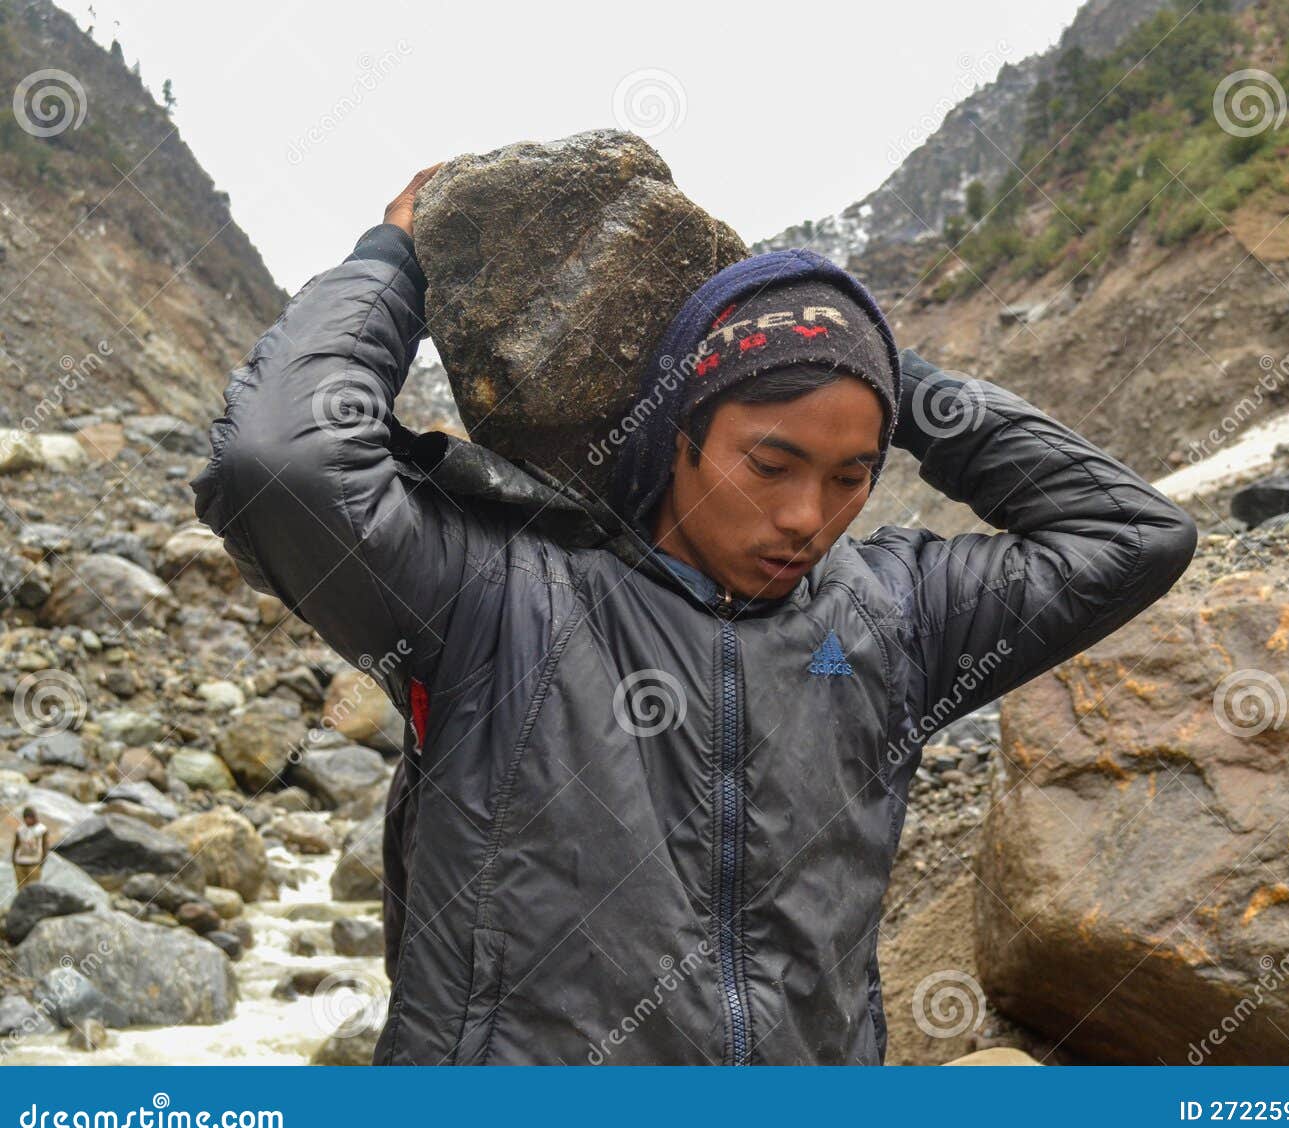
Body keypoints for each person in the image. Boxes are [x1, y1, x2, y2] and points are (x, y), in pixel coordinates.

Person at [191, 164, 1198, 1065]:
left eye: (852, 475)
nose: (808, 518)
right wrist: (396, 261)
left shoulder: (896, 620)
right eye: (769, 463)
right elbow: (272, 466)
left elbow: (1129, 532)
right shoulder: (493, 599)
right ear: (675, 434)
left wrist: (881, 363)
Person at [11, 805, 49, 890]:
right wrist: (14, 861)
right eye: (26, 818)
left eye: (30, 817)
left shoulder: (42, 830)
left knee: (34, 890)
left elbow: (45, 847)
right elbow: (15, 846)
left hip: (34, 864)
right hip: (20, 863)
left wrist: (41, 862)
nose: (28, 820)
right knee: (21, 889)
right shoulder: (20, 830)